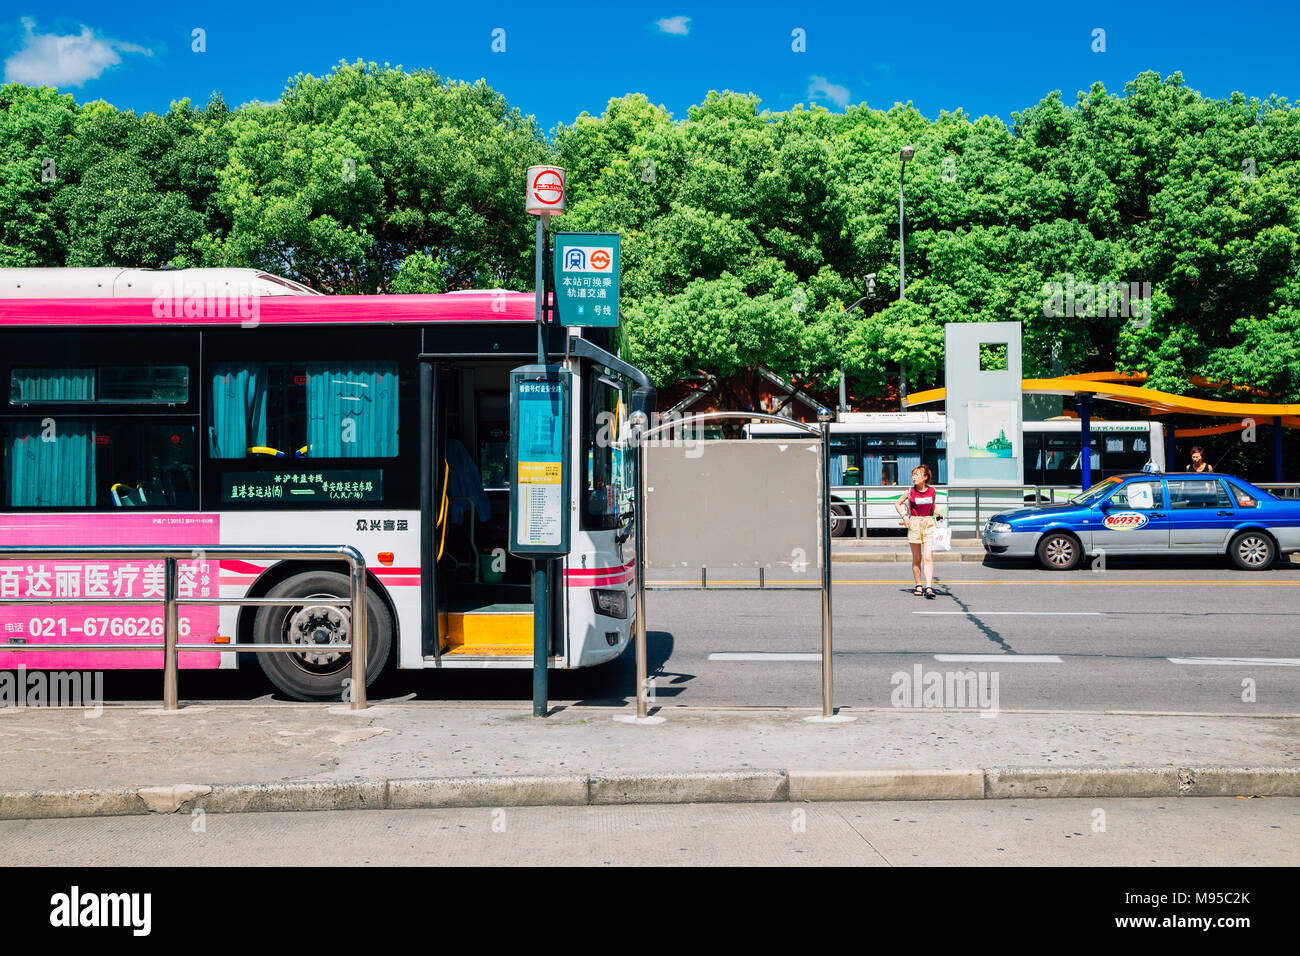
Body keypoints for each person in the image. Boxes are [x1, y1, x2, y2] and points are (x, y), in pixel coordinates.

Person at [894, 464, 942, 599]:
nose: (914, 477)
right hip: (914, 524)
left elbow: (933, 507)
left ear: (925, 477)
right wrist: (905, 517)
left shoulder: (932, 491)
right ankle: (918, 585)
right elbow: (897, 503)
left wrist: (939, 514)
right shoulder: (910, 491)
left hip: (928, 524)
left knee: (928, 557)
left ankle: (929, 587)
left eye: (917, 475)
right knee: (917, 558)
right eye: (913, 475)